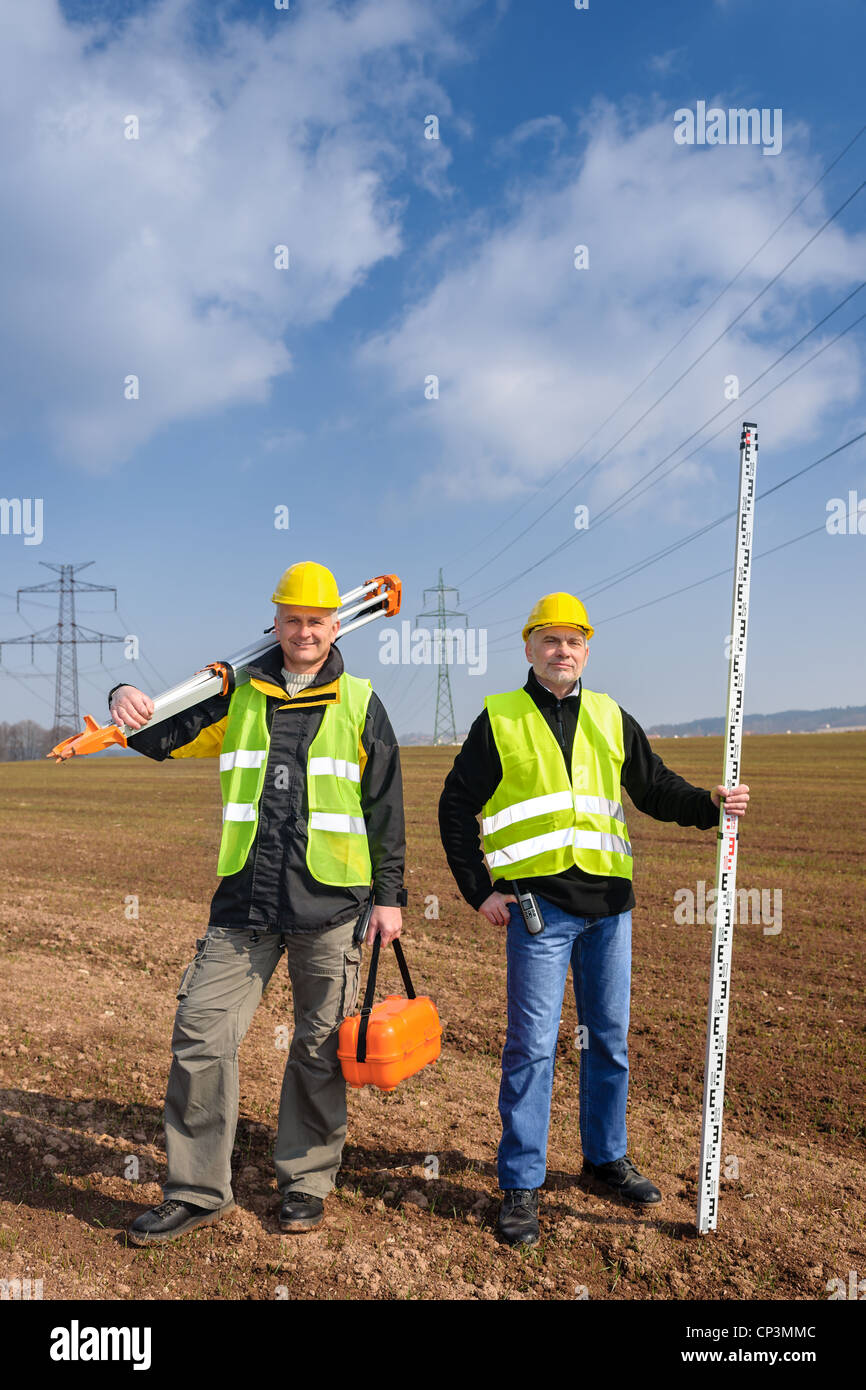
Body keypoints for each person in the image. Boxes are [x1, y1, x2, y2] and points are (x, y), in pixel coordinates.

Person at [108, 561, 406, 1245]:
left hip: (329, 903)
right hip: (244, 902)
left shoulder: (360, 702)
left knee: (318, 1050)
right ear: (274, 623)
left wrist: (389, 899)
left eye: (316, 621)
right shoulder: (236, 694)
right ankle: (196, 1191)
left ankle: (304, 1184)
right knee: (201, 1038)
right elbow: (158, 735)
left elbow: (385, 808)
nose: (304, 631)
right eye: (292, 619)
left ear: (336, 626)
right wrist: (126, 695)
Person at [438, 592, 749, 1247]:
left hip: (610, 912)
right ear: (528, 648)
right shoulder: (500, 719)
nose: (562, 651)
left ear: (586, 650)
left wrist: (711, 806)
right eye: (550, 640)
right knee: (531, 1049)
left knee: (609, 1041)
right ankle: (521, 1185)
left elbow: (655, 789)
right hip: (538, 914)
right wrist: (479, 891)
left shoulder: (611, 716)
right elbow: (454, 807)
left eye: (574, 641)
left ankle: (605, 1158)